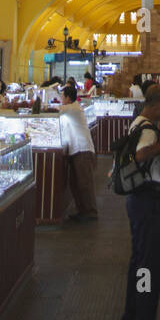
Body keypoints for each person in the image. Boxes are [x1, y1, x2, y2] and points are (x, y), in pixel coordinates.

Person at [120, 86, 160, 320]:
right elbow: (140, 154)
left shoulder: (137, 123)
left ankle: (131, 317)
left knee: (139, 261)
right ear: (157, 106)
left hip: (138, 201)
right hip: (146, 202)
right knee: (148, 266)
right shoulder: (147, 130)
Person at [59, 80, 98, 221]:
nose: (61, 99)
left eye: (62, 97)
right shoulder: (72, 108)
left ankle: (90, 211)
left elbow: (57, 111)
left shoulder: (73, 108)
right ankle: (82, 210)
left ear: (68, 98)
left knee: (84, 182)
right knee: (76, 182)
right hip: (77, 150)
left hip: (83, 150)